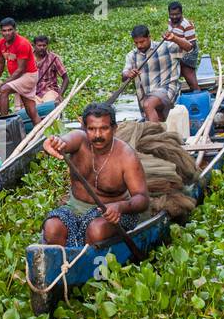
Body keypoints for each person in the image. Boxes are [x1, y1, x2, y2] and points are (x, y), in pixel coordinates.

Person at [41, 102, 149, 246]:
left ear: (114, 129)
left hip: (112, 213)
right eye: (92, 129)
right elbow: (63, 142)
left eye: (104, 128)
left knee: (96, 230)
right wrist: (54, 143)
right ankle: (63, 264)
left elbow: (142, 199)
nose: (97, 135)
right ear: (85, 129)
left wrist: (119, 207)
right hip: (75, 207)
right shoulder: (79, 140)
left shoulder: (126, 156)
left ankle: (89, 264)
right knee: (52, 228)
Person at [121, 24, 179, 122]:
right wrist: (128, 74)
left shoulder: (166, 47)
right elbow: (124, 74)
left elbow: (189, 47)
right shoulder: (132, 56)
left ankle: (153, 136)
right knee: (156, 117)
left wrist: (174, 38)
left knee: (148, 105)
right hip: (145, 95)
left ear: (149, 37)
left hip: (166, 89)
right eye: (136, 43)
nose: (139, 45)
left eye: (142, 42)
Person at [0, 17, 41, 127]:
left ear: (15, 30)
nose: (7, 33)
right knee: (30, 110)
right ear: (1, 31)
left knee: (3, 90)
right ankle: (42, 135)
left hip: (28, 75)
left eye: (10, 30)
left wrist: (3, 83)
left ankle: (3, 126)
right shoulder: (1, 44)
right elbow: (0, 63)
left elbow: (20, 69)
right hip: (19, 78)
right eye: (4, 30)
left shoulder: (22, 43)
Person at [163, 1, 201, 92]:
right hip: (176, 51)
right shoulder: (170, 21)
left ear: (181, 13)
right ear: (169, 14)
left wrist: (174, 39)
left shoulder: (187, 25)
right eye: (172, 14)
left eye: (177, 14)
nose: (174, 17)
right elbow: (172, 35)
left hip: (188, 54)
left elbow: (190, 47)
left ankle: (198, 95)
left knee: (189, 77)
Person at [32, 35, 69, 103]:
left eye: (44, 45)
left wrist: (60, 95)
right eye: (39, 45)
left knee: (48, 104)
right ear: (34, 46)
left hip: (49, 91)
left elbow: (66, 78)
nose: (42, 48)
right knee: (32, 109)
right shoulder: (28, 58)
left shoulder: (53, 58)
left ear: (47, 45)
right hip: (33, 93)